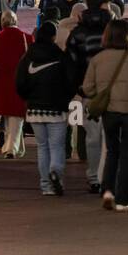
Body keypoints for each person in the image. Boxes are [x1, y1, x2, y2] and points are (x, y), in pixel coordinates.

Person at [81, 18, 128, 212]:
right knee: (126, 155)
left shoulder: (99, 58)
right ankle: (123, 200)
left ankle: (107, 191)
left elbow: (88, 88)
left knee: (112, 151)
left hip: (109, 112)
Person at [15, 21, 77, 195]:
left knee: (42, 147)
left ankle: (46, 185)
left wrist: (28, 98)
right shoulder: (60, 56)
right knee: (57, 146)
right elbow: (70, 82)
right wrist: (66, 99)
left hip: (35, 109)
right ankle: (55, 171)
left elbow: (20, 82)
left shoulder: (28, 57)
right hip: (57, 109)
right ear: (53, 37)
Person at [68, 0, 115, 192]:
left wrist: (77, 87)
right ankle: (109, 176)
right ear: (104, 5)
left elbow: (70, 63)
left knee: (92, 136)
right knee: (112, 136)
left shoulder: (78, 32)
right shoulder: (115, 30)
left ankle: (94, 176)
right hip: (114, 91)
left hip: (88, 92)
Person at [0, 10, 32, 158]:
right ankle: (13, 147)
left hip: (1, 85)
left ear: (2, 22)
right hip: (21, 83)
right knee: (16, 118)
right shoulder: (27, 38)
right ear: (16, 21)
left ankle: (11, 149)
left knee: (10, 117)